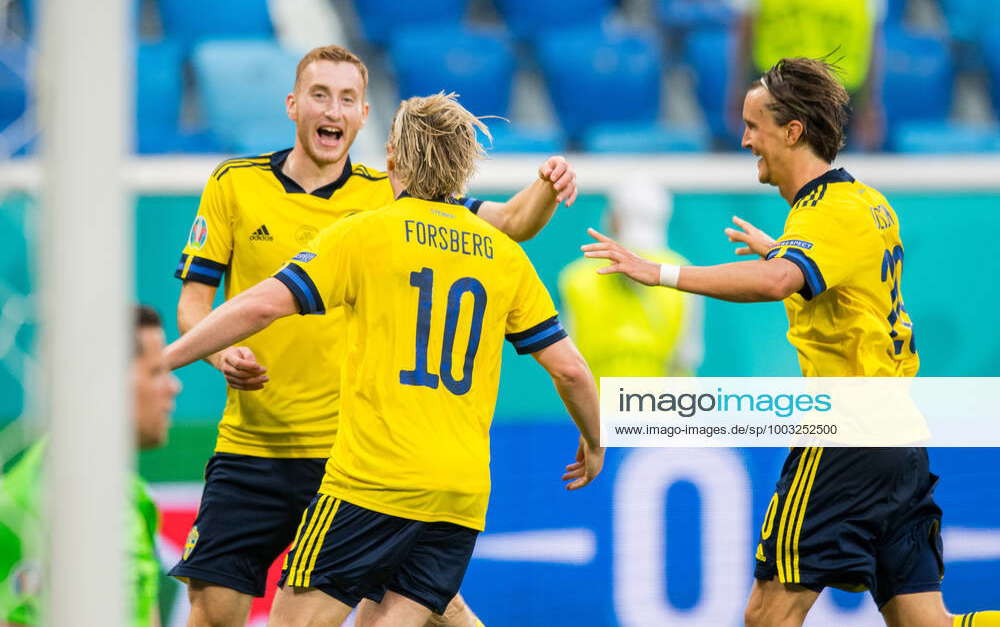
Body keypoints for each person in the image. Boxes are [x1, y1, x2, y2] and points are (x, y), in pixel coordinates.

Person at [582, 57, 999, 627]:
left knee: (767, 616)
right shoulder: (864, 203)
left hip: (844, 435)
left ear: (792, 131)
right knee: (927, 624)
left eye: (755, 125)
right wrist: (782, 249)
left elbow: (779, 281)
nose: (746, 138)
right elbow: (839, 292)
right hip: (897, 436)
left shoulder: (829, 214)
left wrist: (661, 273)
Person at [170, 45, 578, 627]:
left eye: (346, 98)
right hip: (255, 445)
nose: (331, 109)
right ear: (293, 104)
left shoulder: (388, 195)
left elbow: (511, 223)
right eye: (319, 95)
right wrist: (216, 355)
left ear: (363, 117)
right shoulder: (234, 184)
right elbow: (194, 306)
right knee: (213, 610)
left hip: (356, 453)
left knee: (430, 611)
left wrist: (546, 183)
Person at [0, 305, 180, 626]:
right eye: (156, 372)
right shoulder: (26, 502)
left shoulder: (134, 495)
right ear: (104, 382)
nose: (173, 387)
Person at [559, 182, 702, 378]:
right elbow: (687, 355)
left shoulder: (576, 277)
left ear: (612, 219)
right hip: (661, 405)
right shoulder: (683, 272)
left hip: (609, 405)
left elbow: (569, 365)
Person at [726, 0, 886, 151]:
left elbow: (871, 37)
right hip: (783, 91)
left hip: (834, 96)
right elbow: (746, 27)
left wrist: (868, 104)